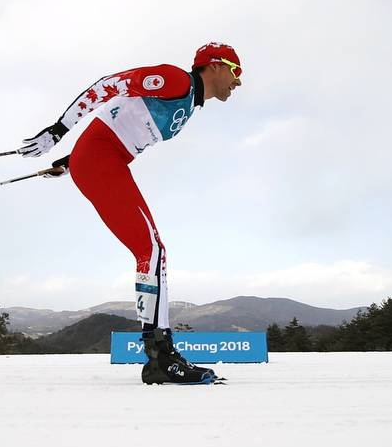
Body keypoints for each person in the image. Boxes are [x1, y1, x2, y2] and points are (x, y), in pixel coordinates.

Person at [19, 42, 243, 384]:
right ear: (213, 66)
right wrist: (58, 131)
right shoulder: (176, 80)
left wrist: (71, 161)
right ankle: (159, 357)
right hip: (101, 159)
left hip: (104, 159)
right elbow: (110, 85)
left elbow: (122, 120)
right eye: (235, 70)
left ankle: (160, 353)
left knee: (154, 250)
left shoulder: (189, 102)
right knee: (151, 250)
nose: (238, 81)